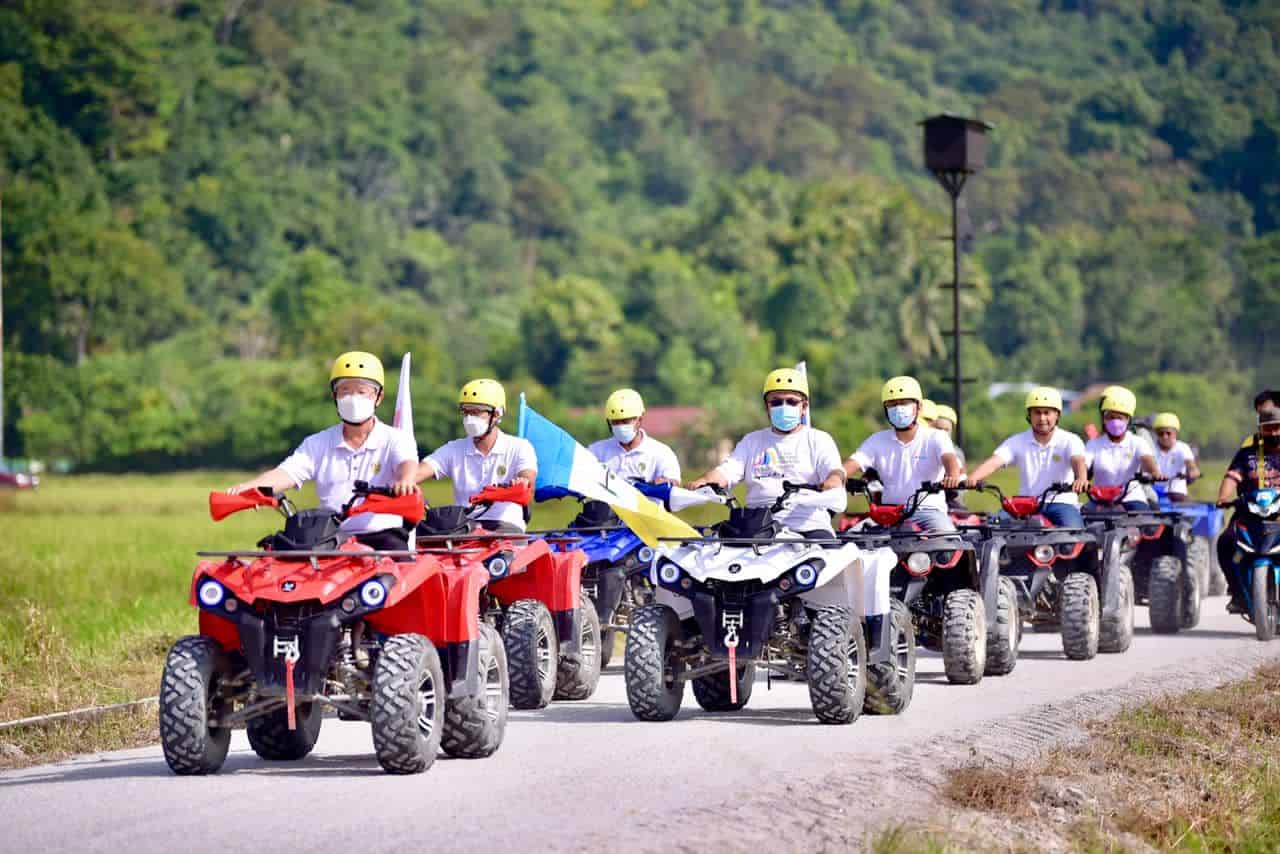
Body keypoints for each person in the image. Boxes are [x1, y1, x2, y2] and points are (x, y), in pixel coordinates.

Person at [228, 351, 419, 547]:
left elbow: (407, 465)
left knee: (397, 572)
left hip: (382, 539)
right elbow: (286, 473)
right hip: (329, 539)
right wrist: (251, 488)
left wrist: (404, 481)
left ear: (378, 397)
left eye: (361, 391)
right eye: (345, 391)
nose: (353, 398)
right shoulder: (317, 443)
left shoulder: (396, 438)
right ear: (334, 396)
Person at [687, 368, 846, 535]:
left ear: (804, 407)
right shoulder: (751, 441)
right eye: (776, 402)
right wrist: (704, 481)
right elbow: (726, 472)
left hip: (807, 529)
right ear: (767, 406)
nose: (784, 407)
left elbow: (835, 472)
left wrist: (834, 481)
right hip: (755, 529)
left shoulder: (818, 439)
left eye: (791, 402)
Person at [414, 379, 537, 533]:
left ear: (497, 413)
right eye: (466, 412)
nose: (469, 419)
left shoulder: (520, 447)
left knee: (502, 553)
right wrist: (403, 482)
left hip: (505, 527)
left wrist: (520, 483)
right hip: (463, 527)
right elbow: (418, 472)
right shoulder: (454, 449)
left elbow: (528, 483)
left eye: (476, 412)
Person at [843, 376, 963, 533]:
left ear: (918, 407)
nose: (898, 408)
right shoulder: (877, 440)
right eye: (892, 404)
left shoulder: (936, 437)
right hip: (887, 514)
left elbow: (950, 460)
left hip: (928, 512)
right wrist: (836, 476)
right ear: (885, 409)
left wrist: (952, 476)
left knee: (951, 544)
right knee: (850, 542)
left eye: (904, 403)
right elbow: (853, 462)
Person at [965, 387, 1090, 527]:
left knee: (1074, 533)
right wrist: (973, 478)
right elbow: (995, 461)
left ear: (1057, 415)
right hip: (1025, 504)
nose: (1042, 418)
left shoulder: (1070, 440)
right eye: (1037, 413)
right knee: (995, 527)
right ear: (1029, 415)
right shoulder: (1017, 441)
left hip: (1060, 503)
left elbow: (1078, 461)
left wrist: (1081, 479)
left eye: (1047, 413)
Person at [1215, 405, 1280, 612]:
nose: (1274, 432)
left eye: (1278, 427)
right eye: (1268, 428)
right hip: (1250, 514)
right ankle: (1237, 593)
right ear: (1260, 430)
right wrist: (1223, 497)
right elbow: (1232, 476)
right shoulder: (1247, 454)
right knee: (1225, 544)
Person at [1083, 385, 1164, 510]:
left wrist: (1154, 472)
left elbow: (1147, 460)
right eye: (1110, 417)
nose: (1115, 422)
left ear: (1127, 419)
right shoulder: (1093, 444)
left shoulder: (1138, 441)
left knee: (1145, 520)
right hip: (1100, 499)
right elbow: (1084, 466)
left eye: (1119, 418)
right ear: (1104, 418)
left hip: (1131, 498)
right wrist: (1080, 478)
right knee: (1082, 518)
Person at [588, 388, 681, 485]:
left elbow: (674, 482)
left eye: (625, 421)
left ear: (639, 420)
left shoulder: (661, 452)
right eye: (615, 422)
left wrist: (665, 482)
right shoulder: (596, 451)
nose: (620, 426)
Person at [1152, 412, 1200, 502]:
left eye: (1168, 433)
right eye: (1161, 433)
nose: (1164, 436)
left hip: (1177, 491)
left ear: (1175, 433)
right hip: (1153, 491)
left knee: (1187, 508)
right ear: (1156, 434)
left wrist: (1193, 471)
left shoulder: (1182, 447)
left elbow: (1190, 464)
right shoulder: (1149, 447)